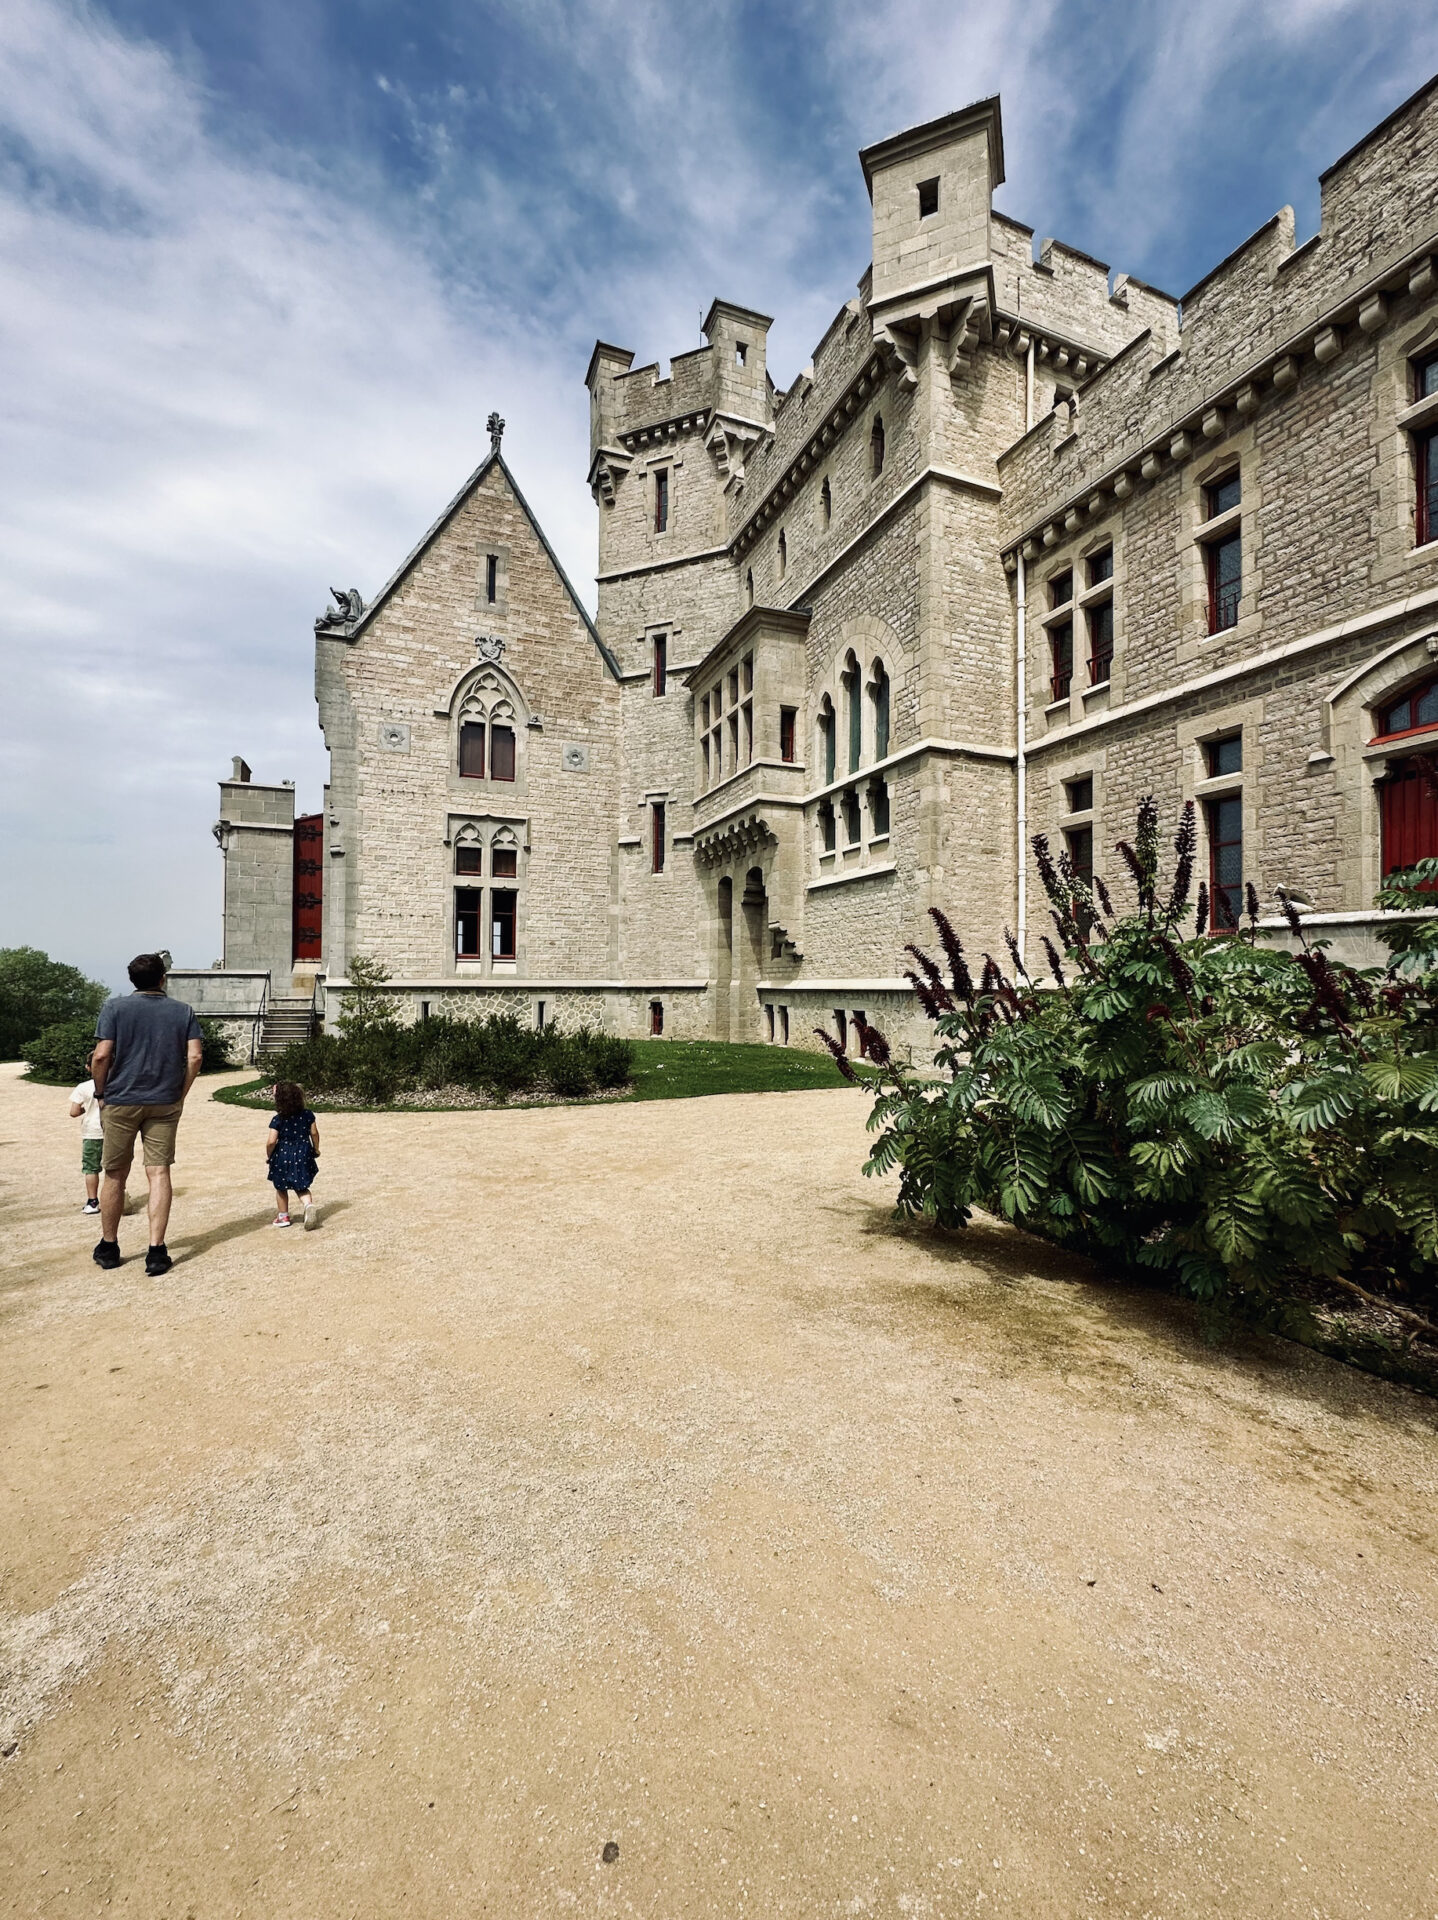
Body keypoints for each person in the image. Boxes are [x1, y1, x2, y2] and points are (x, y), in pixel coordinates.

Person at [91, 953, 204, 1275]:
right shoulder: (182, 1011)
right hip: (164, 1101)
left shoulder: (114, 1008)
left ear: (132, 980)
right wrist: (180, 1093)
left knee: (114, 1173)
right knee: (159, 1173)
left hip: (121, 1099)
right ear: (163, 978)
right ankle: (156, 1250)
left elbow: (101, 1056)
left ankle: (110, 1246)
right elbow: (194, 1057)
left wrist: (101, 1094)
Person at [266, 1082, 320, 1229]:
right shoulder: (308, 1115)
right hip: (303, 1153)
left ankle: (283, 1216)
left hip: (283, 1155)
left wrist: (269, 1155)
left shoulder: (277, 1119)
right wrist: (316, 1149)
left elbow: (271, 1141)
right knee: (301, 1186)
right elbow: (314, 1133)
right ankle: (308, 1205)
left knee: (281, 1187)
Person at [68, 1053, 104, 1214]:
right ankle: (119, 1197)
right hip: (114, 1130)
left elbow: (74, 1112)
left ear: (88, 1067)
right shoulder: (117, 1084)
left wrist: (87, 1107)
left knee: (91, 1168)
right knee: (115, 1167)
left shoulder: (83, 1087)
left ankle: (92, 1201)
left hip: (92, 1131)